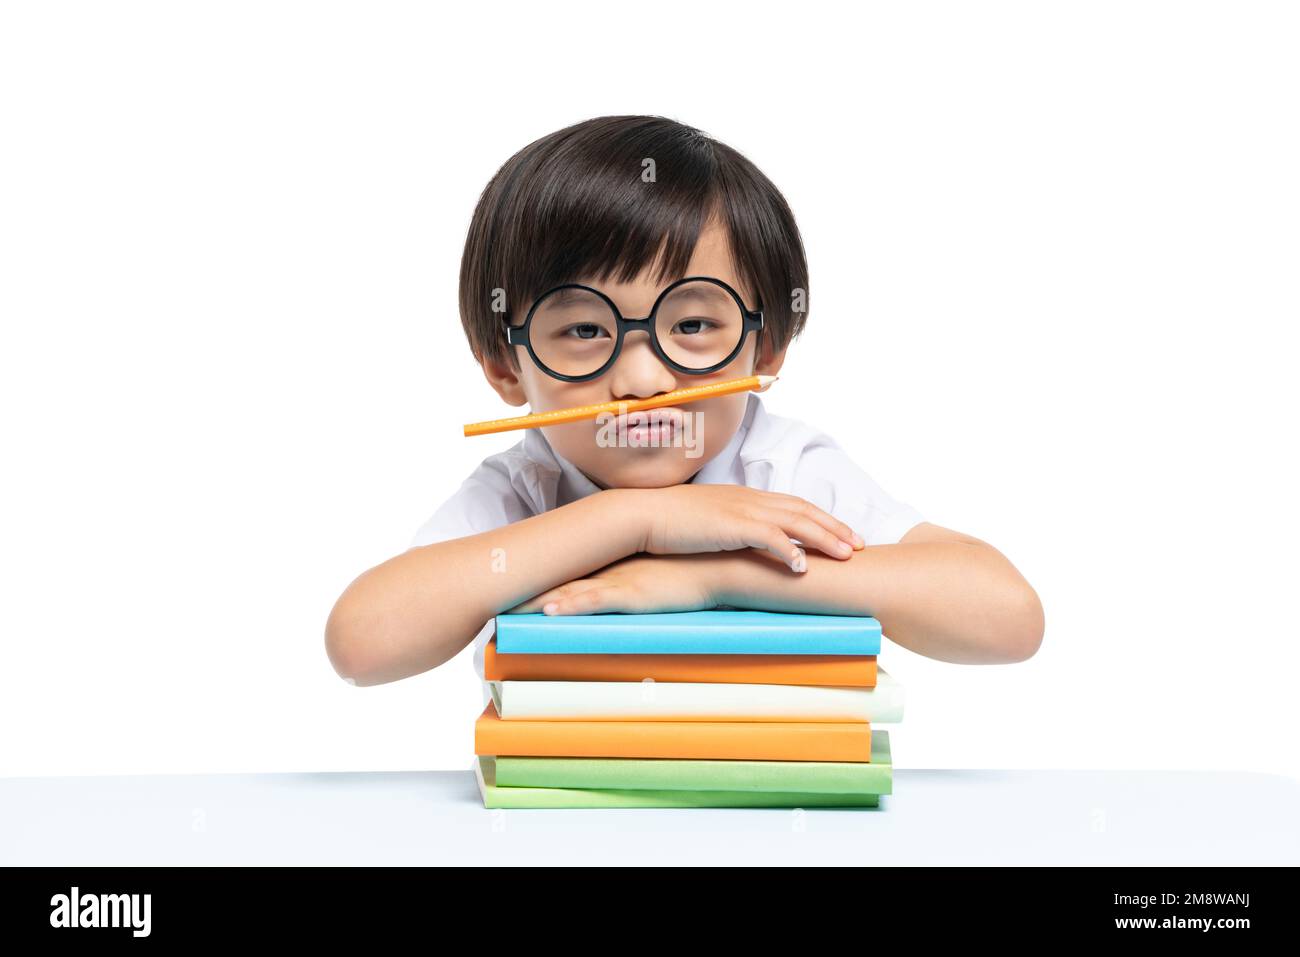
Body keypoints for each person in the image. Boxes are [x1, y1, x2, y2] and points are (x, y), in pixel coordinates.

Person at [325, 115, 1043, 688]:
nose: (642, 380)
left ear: (765, 349)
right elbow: (362, 643)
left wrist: (709, 575)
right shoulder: (527, 487)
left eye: (693, 324)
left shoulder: (779, 467)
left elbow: (1007, 617)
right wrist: (636, 519)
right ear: (505, 367)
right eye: (583, 329)